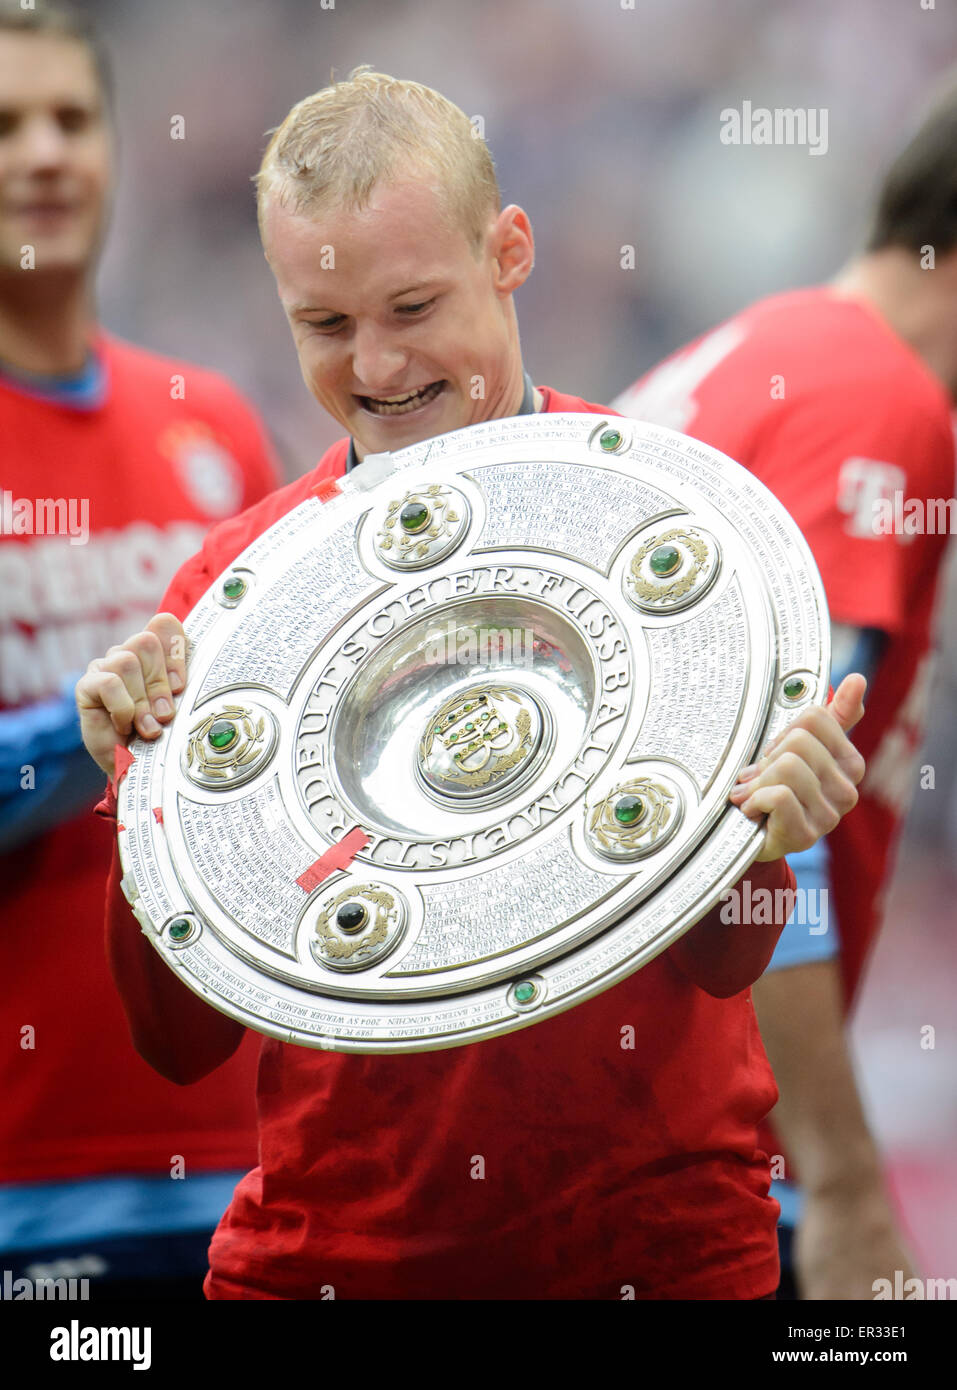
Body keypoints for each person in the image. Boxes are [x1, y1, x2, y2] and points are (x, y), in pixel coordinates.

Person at [76, 68, 867, 1300]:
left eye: (411, 304)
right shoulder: (227, 599)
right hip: (334, 1257)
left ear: (510, 251)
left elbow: (719, 965)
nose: (377, 364)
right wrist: (140, 802)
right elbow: (180, 1044)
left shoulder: (676, 531)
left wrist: (771, 838)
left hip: (657, 1250)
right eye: (324, 325)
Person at [611, 77, 957, 1299]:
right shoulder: (876, 402)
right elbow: (773, 818)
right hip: (688, 1143)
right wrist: (849, 1189)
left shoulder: (771, 347)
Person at [0, 3, 280, 1297]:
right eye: (5, 127)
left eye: (71, 119)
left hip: (248, 1160)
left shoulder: (208, 422)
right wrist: (84, 726)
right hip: (32, 1195)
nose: (44, 155)